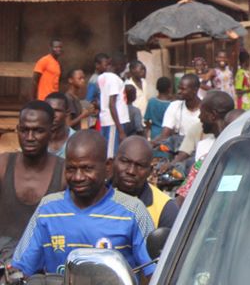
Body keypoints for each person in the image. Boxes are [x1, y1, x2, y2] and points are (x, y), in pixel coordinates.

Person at [11, 131, 156, 279]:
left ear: (107, 166)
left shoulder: (133, 211)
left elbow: (156, 273)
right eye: (71, 169)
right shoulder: (47, 209)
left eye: (87, 169)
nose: (78, 177)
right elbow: (21, 270)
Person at [0, 102, 65, 243]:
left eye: (38, 131)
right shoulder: (3, 165)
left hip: (47, 259)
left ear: (51, 132)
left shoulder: (64, 172)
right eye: (24, 130)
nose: (29, 137)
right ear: (17, 130)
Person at [175, 91, 235, 206]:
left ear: (212, 115)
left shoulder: (205, 153)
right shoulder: (243, 148)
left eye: (202, 112)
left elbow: (182, 199)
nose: (199, 117)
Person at [112, 136, 179, 230]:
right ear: (113, 162)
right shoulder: (94, 195)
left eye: (140, 166)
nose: (131, 171)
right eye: (125, 162)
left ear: (150, 171)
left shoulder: (165, 208)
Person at [155, 73, 202, 148]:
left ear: (195, 90)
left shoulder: (206, 109)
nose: (179, 92)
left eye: (183, 89)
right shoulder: (174, 106)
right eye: (179, 88)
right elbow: (164, 135)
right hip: (181, 149)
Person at [96, 55, 130, 157]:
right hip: (114, 122)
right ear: (119, 65)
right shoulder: (114, 79)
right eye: (124, 66)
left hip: (108, 120)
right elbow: (112, 104)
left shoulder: (102, 77)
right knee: (111, 154)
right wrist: (121, 131)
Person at [44, 92, 75, 159]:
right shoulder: (37, 140)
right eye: (48, 110)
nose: (52, 115)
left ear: (67, 112)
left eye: (57, 111)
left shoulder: (76, 140)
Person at [145, 77, 174, 141]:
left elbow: (146, 120)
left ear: (157, 88)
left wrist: (150, 128)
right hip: (168, 134)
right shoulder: (172, 104)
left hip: (154, 133)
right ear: (169, 89)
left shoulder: (151, 101)